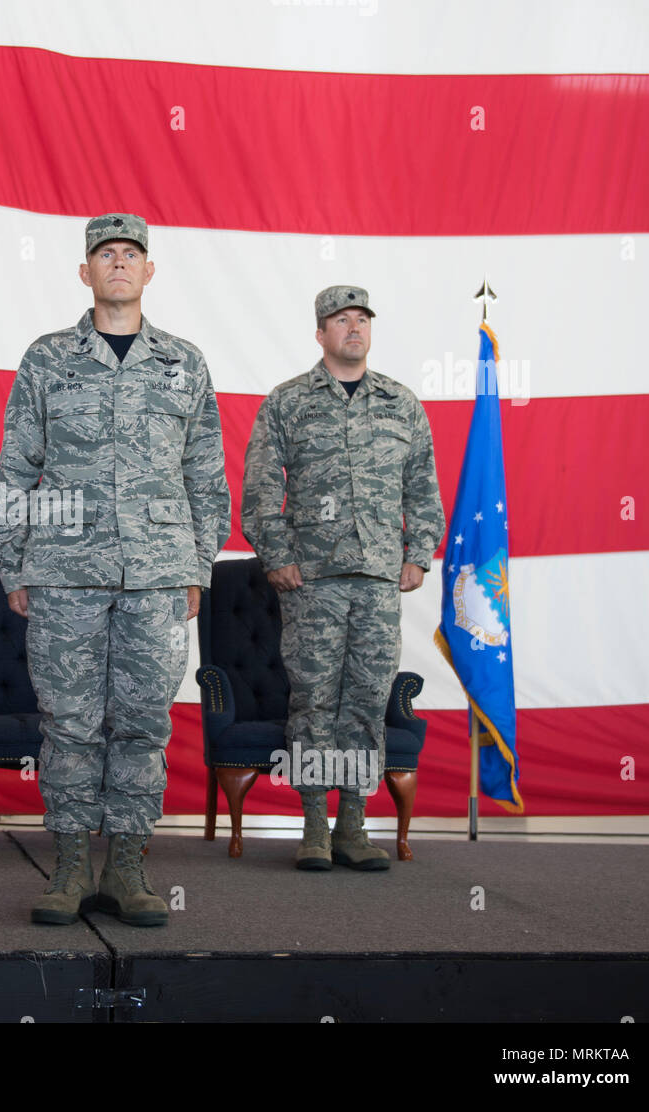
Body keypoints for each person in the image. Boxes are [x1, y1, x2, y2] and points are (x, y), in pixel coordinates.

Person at [0, 213, 231, 926]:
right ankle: (68, 866)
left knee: (143, 724)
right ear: (85, 272)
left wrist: (199, 568)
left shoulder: (183, 361)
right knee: (68, 723)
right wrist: (12, 564)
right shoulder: (48, 357)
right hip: (63, 572)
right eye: (106, 255)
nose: (118, 264)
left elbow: (205, 475)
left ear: (149, 272)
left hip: (157, 576)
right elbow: (16, 467)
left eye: (131, 255)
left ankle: (126, 864)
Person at [241, 286, 444, 871]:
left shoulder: (401, 403)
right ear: (320, 333)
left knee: (366, 700)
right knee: (312, 701)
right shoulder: (287, 401)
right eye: (340, 320)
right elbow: (258, 488)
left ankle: (353, 824)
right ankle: (312, 826)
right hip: (312, 582)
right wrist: (277, 554)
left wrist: (418, 550)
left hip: (379, 579)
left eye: (361, 320)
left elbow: (423, 489)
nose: (353, 329)